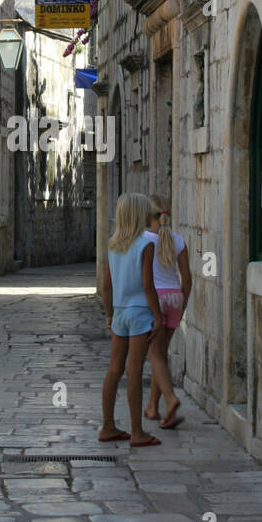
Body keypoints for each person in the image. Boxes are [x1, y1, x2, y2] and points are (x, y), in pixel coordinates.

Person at [101, 192, 162, 448]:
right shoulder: (145, 245)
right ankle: (138, 432)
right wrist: (158, 316)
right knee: (134, 370)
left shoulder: (113, 245)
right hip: (139, 313)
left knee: (115, 369)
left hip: (120, 311)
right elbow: (148, 285)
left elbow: (107, 285)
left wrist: (109, 313)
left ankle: (108, 426)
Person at [143, 196, 191, 429]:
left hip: (156, 299)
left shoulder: (141, 240)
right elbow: (187, 277)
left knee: (154, 355)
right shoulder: (179, 240)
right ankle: (153, 407)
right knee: (161, 354)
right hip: (175, 297)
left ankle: (170, 399)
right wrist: (183, 306)